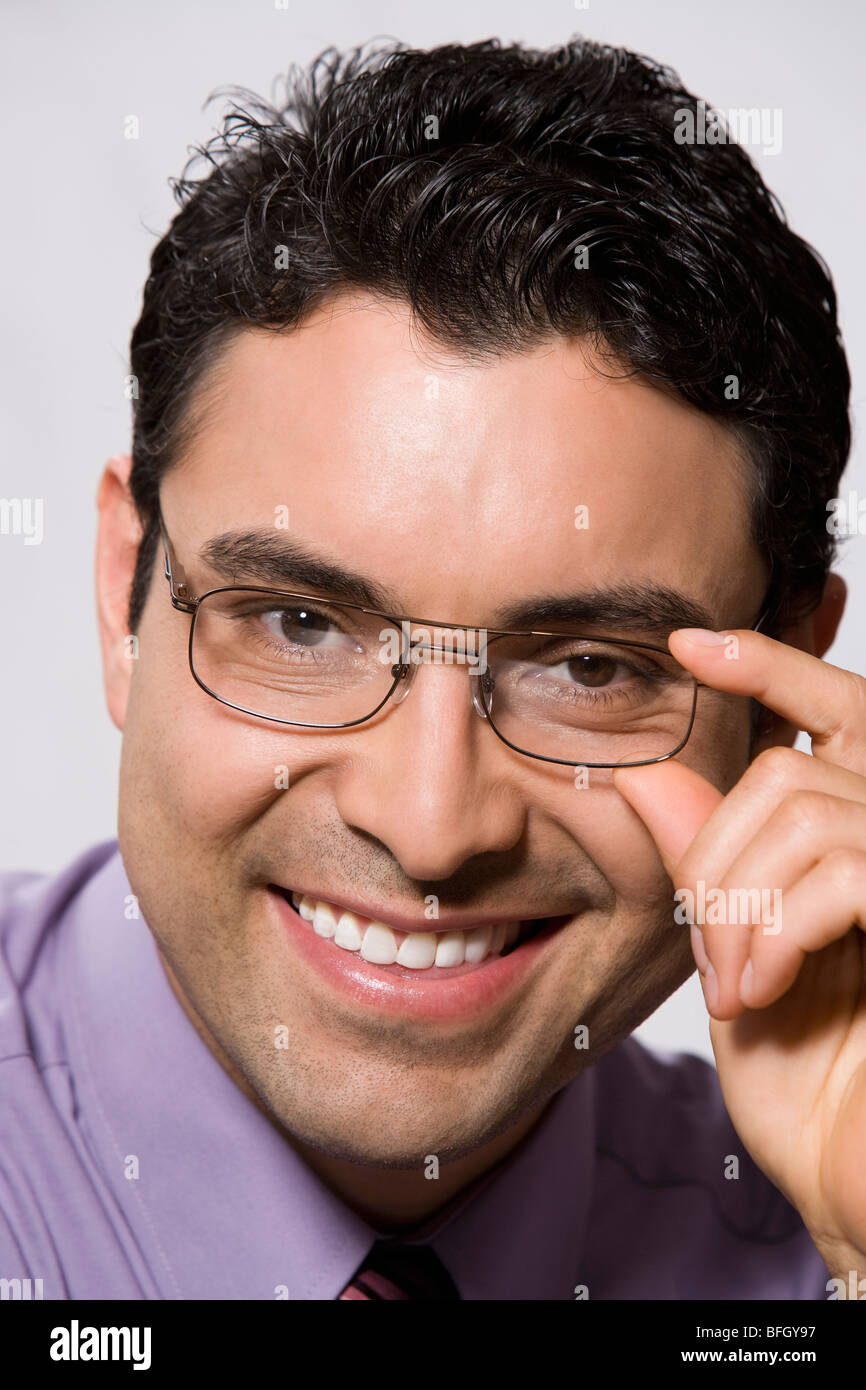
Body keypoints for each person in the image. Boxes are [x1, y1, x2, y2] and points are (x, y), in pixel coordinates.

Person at [1, 34, 863, 1301]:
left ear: (780, 689)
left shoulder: (812, 1225)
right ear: (123, 594)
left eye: (585, 664)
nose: (427, 825)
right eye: (301, 625)